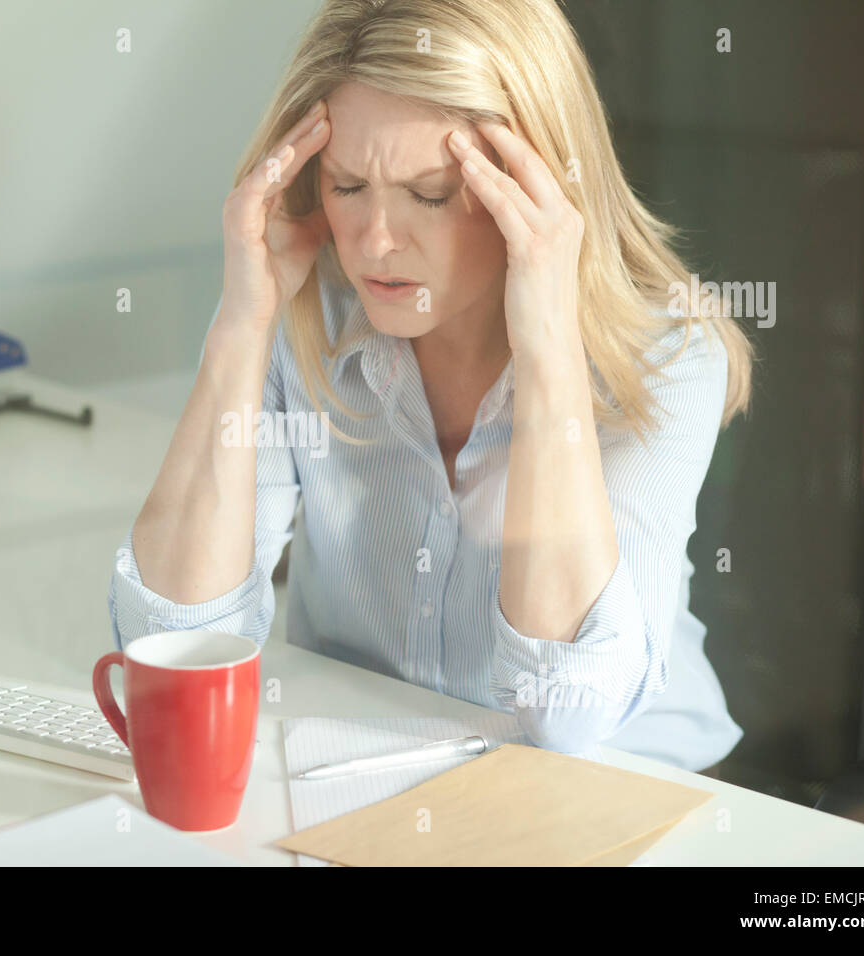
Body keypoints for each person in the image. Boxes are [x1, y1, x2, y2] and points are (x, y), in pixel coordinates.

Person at [107, 0, 754, 774]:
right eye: (348, 186)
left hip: (631, 784)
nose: (376, 241)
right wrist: (242, 328)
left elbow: (565, 713)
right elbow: (169, 646)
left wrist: (546, 344)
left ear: (534, 183)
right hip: (365, 778)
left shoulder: (667, 352)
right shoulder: (300, 308)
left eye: (431, 194)